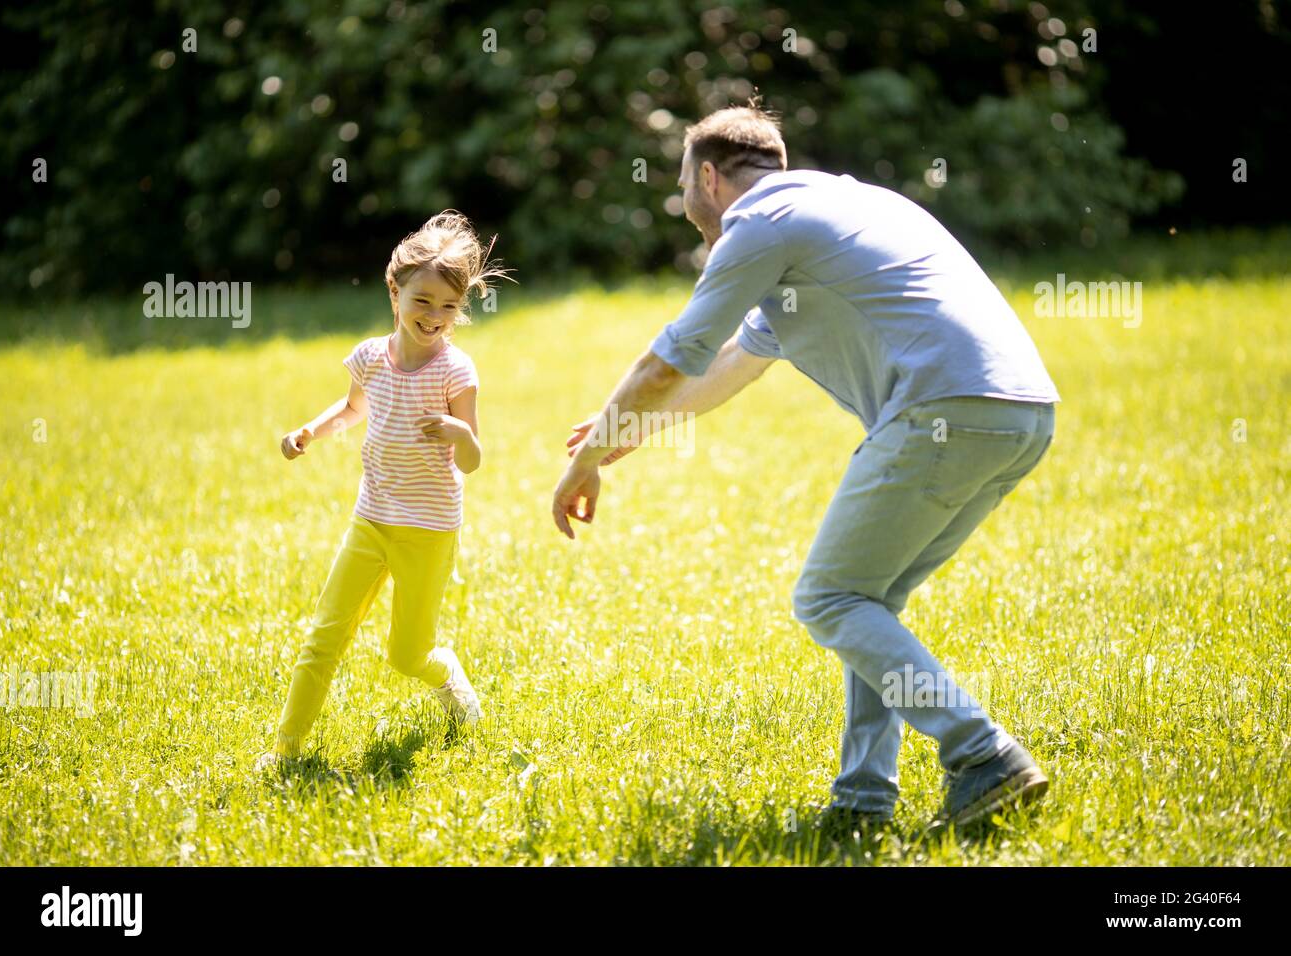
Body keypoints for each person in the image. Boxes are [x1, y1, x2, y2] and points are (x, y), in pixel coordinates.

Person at [555, 104, 1059, 830]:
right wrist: (634, 430)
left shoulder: (758, 226)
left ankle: (984, 757)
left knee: (830, 599)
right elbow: (735, 363)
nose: (684, 207)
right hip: (1022, 413)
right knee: (867, 601)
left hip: (940, 411)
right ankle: (861, 802)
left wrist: (587, 458)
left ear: (708, 176)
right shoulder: (847, 207)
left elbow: (667, 360)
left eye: (682, 187)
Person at [255, 211, 507, 771]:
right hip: (370, 520)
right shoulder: (370, 356)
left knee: (407, 654)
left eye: (447, 306)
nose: (434, 316)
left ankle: (450, 678)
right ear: (395, 292)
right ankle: (284, 753)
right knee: (323, 638)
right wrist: (308, 433)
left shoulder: (456, 372)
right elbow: (351, 409)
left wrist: (459, 432)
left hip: (428, 530)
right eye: (422, 301)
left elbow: (472, 460)